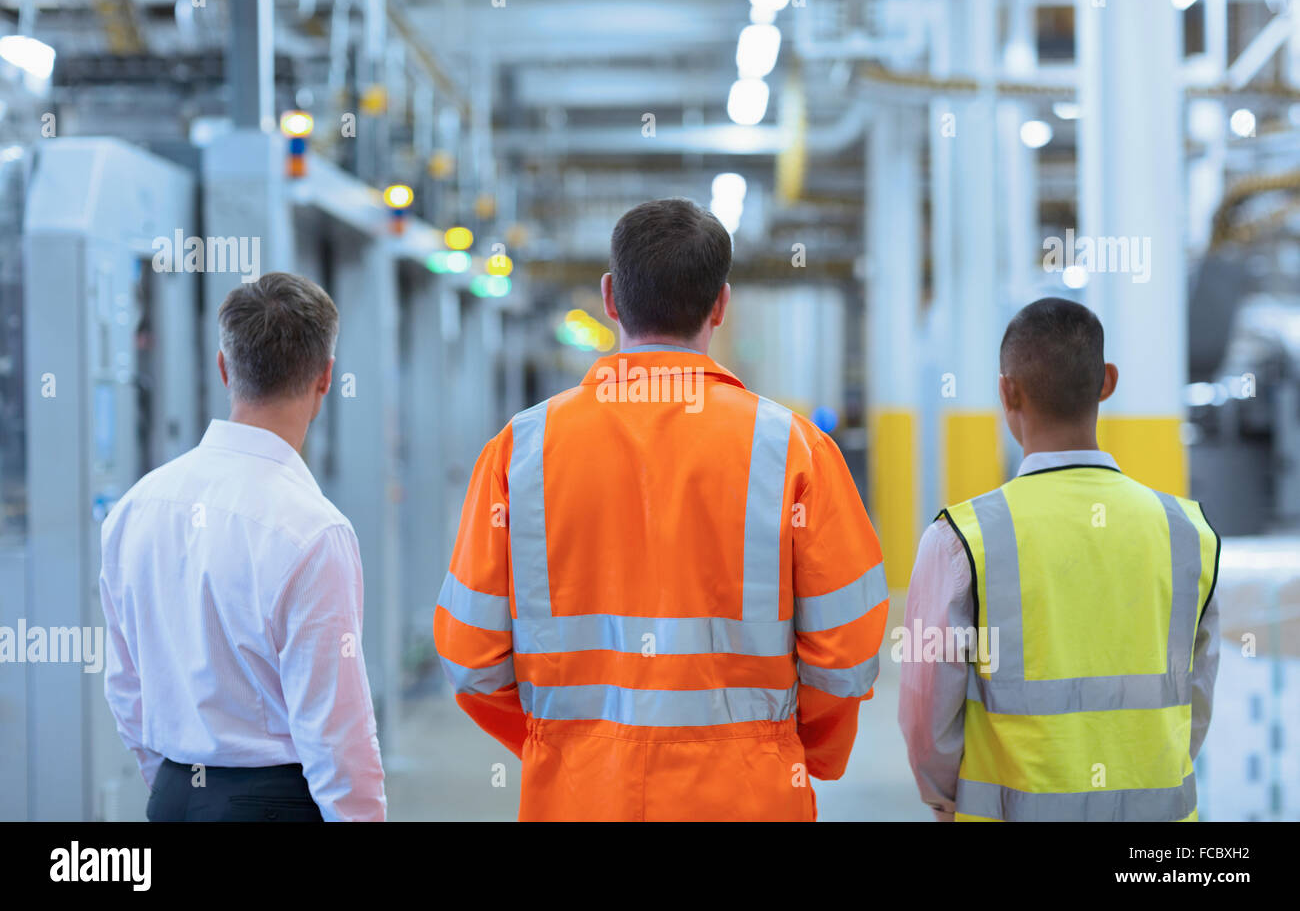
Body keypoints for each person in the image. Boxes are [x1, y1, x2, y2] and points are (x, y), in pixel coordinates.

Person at [435, 198, 887, 821]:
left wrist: (565, 745)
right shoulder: (794, 450)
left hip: (578, 797)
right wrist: (798, 751)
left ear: (610, 298)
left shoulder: (520, 451)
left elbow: (470, 658)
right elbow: (846, 656)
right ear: (721, 305)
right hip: (749, 797)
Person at [899, 297, 1220, 821]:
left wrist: (942, 797)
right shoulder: (1188, 533)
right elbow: (1197, 699)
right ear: (1107, 382)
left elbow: (925, 709)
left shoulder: (960, 540)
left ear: (1006, 390)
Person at [99, 271, 386, 821]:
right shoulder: (313, 532)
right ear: (326, 378)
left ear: (224, 368)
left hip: (173, 797)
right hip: (271, 804)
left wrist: (174, 788)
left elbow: (125, 687)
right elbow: (336, 731)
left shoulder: (136, 508)